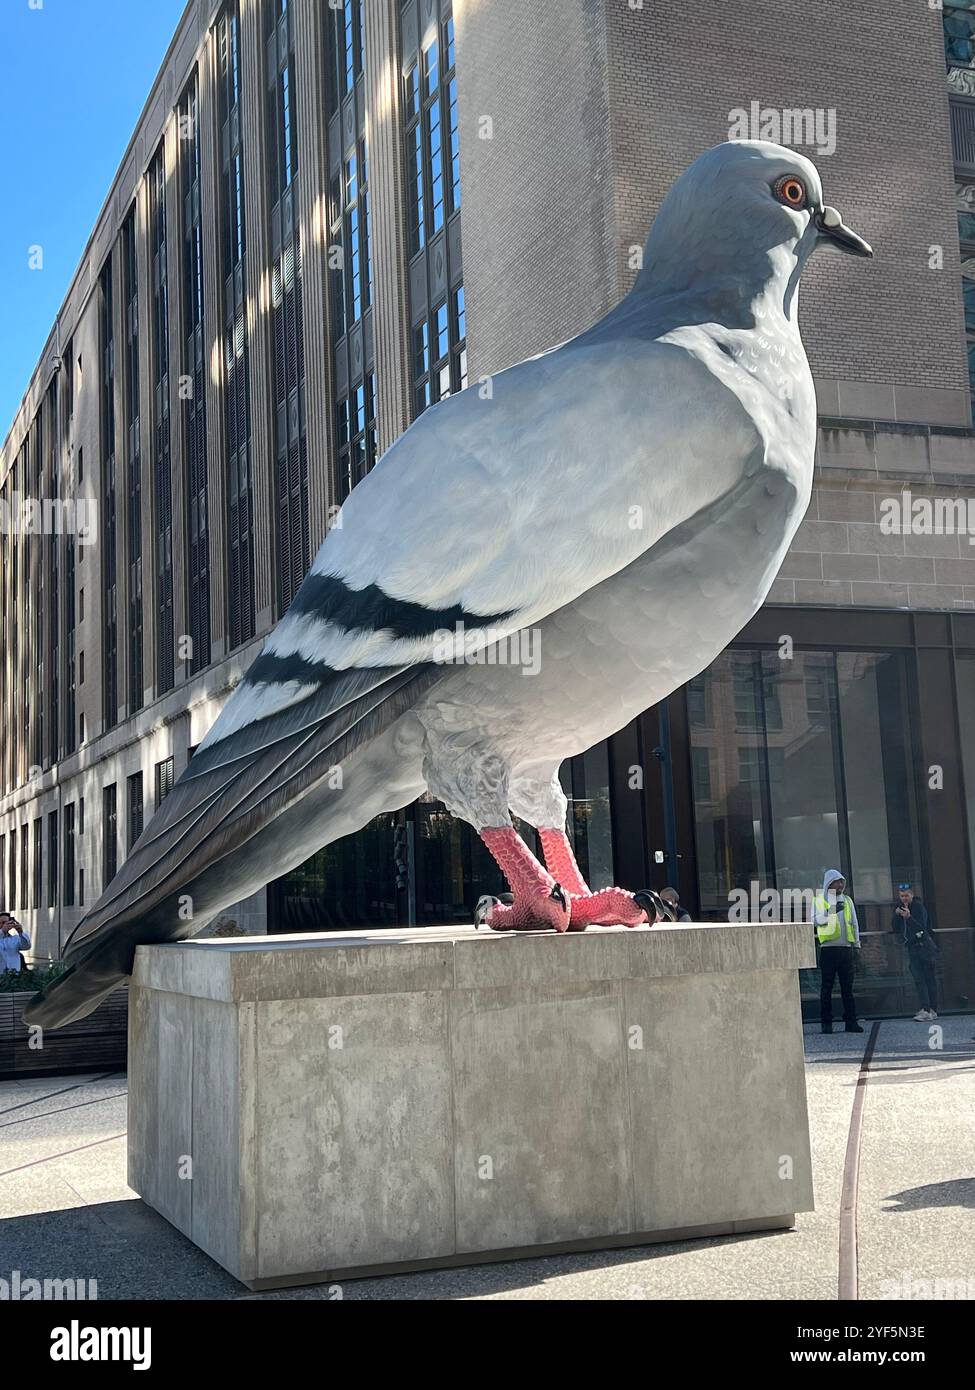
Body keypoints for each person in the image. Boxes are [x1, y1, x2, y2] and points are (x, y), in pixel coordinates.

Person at [813, 868, 863, 1034]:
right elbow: (815, 921)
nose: (841, 884)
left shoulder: (848, 901)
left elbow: (854, 923)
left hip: (846, 949)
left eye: (842, 881)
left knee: (847, 988)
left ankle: (851, 1021)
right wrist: (831, 911)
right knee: (826, 988)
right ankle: (826, 1022)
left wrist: (856, 946)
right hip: (828, 949)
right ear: (829, 883)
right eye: (837, 881)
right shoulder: (820, 900)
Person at [893, 883, 939, 1021]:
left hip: (924, 947)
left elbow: (922, 929)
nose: (904, 898)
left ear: (912, 894)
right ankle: (926, 1008)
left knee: (928, 979)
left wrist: (909, 918)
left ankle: (930, 1009)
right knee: (919, 979)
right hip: (912, 948)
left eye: (906, 895)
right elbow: (896, 928)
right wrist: (897, 916)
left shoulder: (919, 907)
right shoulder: (900, 908)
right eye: (902, 896)